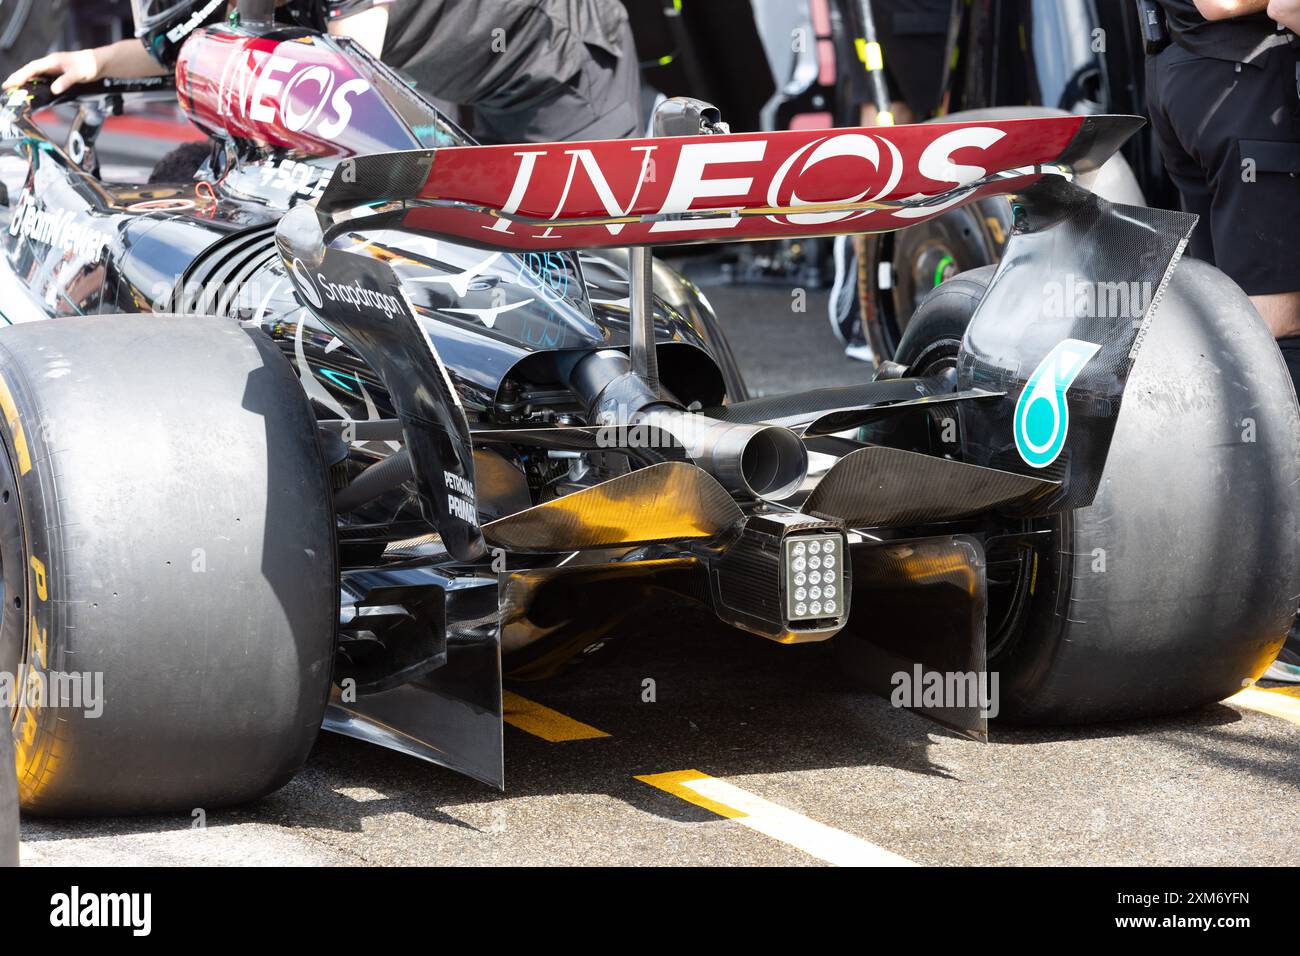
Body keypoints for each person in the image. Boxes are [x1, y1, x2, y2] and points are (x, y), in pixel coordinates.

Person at [1145, 1, 1300, 683]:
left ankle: (1241, 595)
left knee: (1228, 335)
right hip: (1237, 86)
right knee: (1272, 333)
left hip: (1201, 76)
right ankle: (1284, 620)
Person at [2, 0, 642, 146]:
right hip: (460, 74)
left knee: (586, 285)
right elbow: (193, 43)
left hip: (558, 60)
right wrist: (94, 61)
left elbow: (346, 84)